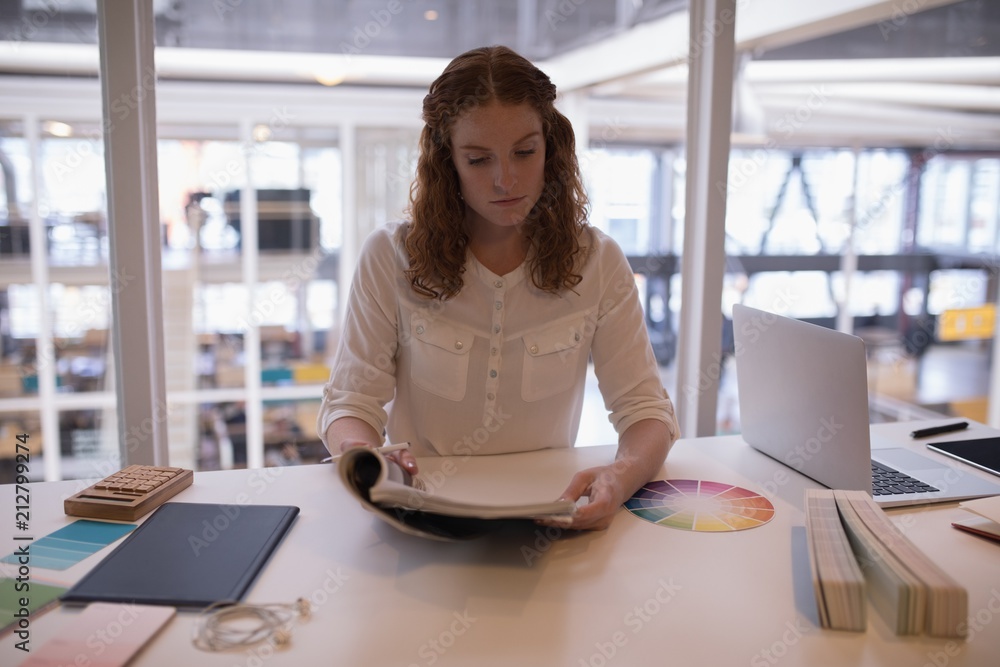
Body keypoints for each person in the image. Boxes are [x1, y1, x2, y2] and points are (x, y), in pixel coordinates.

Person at [318, 45, 678, 530]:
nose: (506, 179)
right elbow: (350, 404)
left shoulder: (598, 261)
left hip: (548, 518)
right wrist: (364, 458)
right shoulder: (390, 256)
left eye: (524, 152)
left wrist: (621, 476)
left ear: (551, 148)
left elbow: (646, 410)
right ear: (449, 164)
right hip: (423, 518)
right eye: (479, 159)